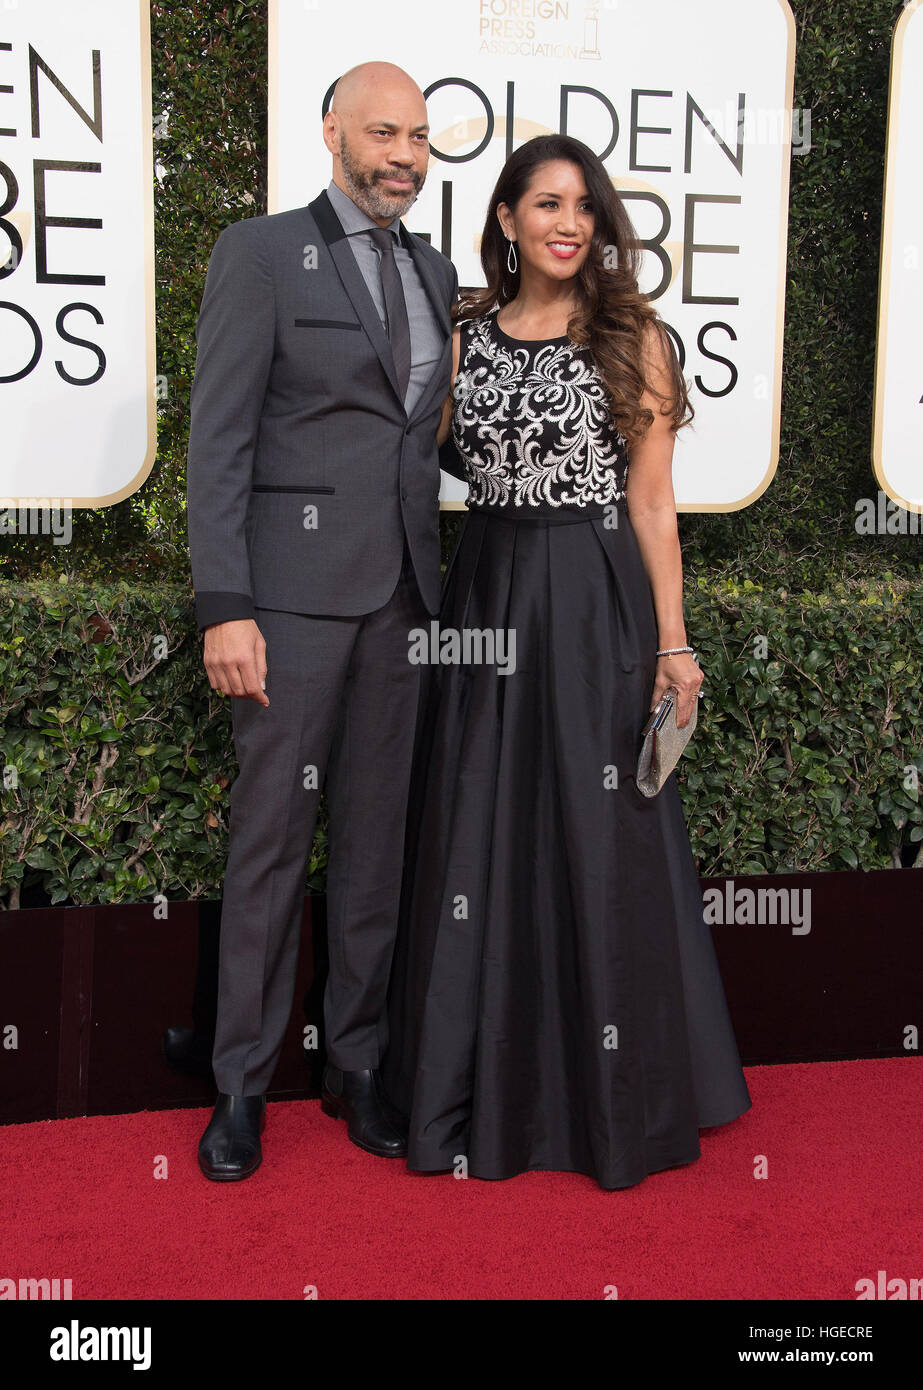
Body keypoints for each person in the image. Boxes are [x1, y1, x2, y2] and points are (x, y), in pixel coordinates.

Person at [383, 133, 752, 1191]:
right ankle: (474, 1083)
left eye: (582, 206)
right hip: (487, 587)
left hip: (592, 598)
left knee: (597, 830)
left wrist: (671, 641)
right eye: (544, 203)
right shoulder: (462, 338)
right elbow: (421, 458)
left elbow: (648, 499)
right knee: (478, 826)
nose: (567, 222)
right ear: (504, 220)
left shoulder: (631, 335)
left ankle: (604, 1098)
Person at [185, 61, 457, 1180]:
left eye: (421, 137)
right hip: (288, 609)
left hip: (404, 598)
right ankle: (240, 1084)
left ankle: (356, 1065)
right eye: (385, 132)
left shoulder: (435, 271)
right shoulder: (258, 252)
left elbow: (422, 436)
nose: (404, 154)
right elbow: (219, 440)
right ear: (334, 132)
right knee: (268, 848)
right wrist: (225, 606)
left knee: (378, 848)